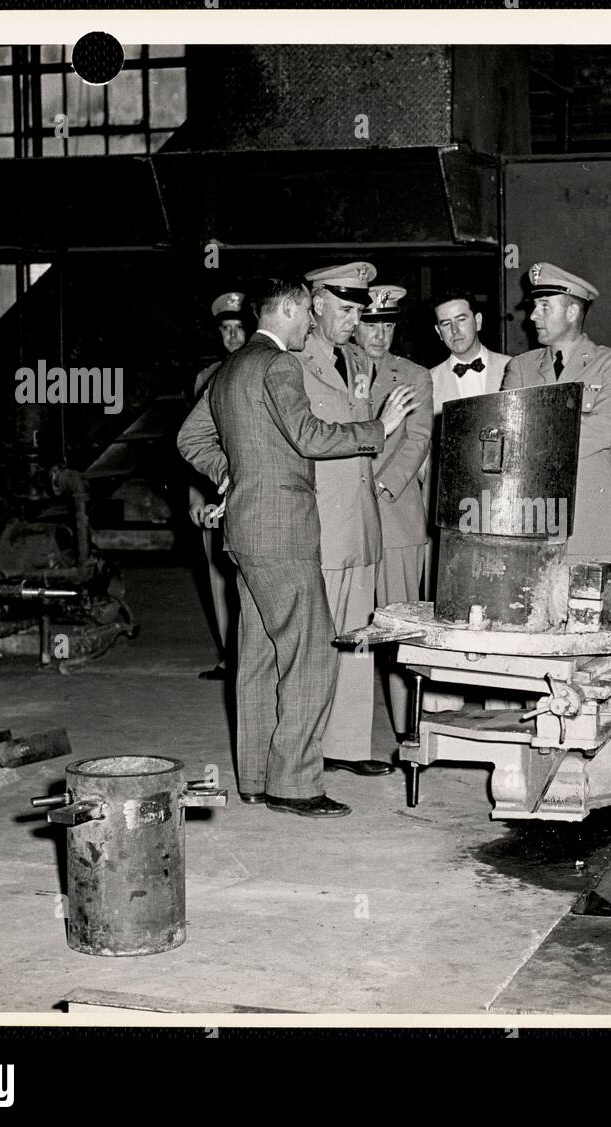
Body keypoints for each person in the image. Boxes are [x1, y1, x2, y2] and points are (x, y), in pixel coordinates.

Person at [176, 276, 416, 818]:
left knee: (258, 658)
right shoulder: (279, 364)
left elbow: (190, 439)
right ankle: (295, 785)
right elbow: (308, 436)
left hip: (245, 532)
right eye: (309, 312)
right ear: (287, 308)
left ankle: (256, 779)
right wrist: (379, 427)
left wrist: (234, 476)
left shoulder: (230, 368)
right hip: (283, 532)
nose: (312, 323)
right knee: (311, 656)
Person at [298, 262, 393, 776]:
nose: (355, 320)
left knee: (358, 636)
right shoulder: (292, 359)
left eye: (359, 310)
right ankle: (307, 750)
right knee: (317, 638)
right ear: (315, 304)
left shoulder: (357, 359)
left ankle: (348, 747)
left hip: (359, 517)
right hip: (319, 516)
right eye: (346, 308)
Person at [501, 262, 611, 566]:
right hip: (529, 521)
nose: (533, 315)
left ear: (572, 312)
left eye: (544, 307)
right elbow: (507, 429)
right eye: (535, 306)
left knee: (588, 612)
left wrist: (531, 435)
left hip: (590, 523)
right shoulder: (521, 367)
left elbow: (605, 427)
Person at [355, 285, 434, 737]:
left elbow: (418, 439)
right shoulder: (332, 370)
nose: (380, 334)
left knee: (402, 629)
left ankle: (410, 728)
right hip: (344, 517)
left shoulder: (414, 375)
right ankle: (348, 736)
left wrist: (382, 485)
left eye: (387, 324)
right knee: (349, 628)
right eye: (370, 323)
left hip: (395, 513)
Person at [188, 291, 248, 681]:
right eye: (225, 330)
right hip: (215, 492)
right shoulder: (206, 378)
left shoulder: (269, 370)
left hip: (251, 490)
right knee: (218, 576)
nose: (231, 337)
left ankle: (250, 658)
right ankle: (229, 655)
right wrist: (194, 495)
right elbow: (195, 442)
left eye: (238, 328)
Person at [429, 290, 509, 413]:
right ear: (439, 332)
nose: (454, 330)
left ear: (478, 321)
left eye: (461, 320)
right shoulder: (429, 382)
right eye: (446, 324)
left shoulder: (511, 367)